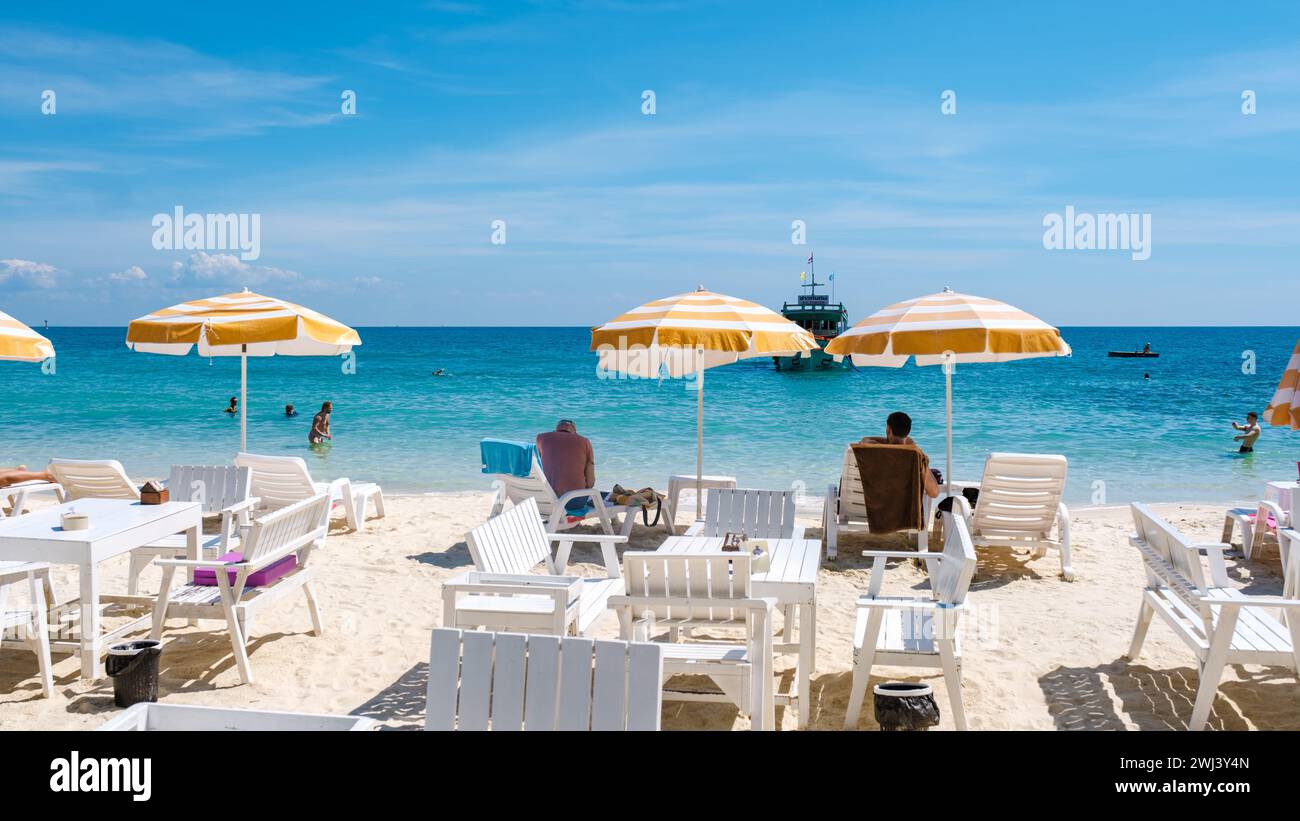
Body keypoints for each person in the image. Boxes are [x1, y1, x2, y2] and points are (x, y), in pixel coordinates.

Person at [861, 411, 941, 499]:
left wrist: (889, 441)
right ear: (908, 432)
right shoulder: (917, 456)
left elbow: (865, 440)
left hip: (877, 510)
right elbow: (934, 493)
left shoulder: (875, 451)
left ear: (888, 429)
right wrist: (907, 443)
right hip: (909, 512)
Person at [535, 419, 595, 512]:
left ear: (555, 430)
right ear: (574, 432)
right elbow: (590, 483)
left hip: (545, 500)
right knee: (599, 496)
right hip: (573, 502)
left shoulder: (541, 438)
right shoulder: (584, 441)